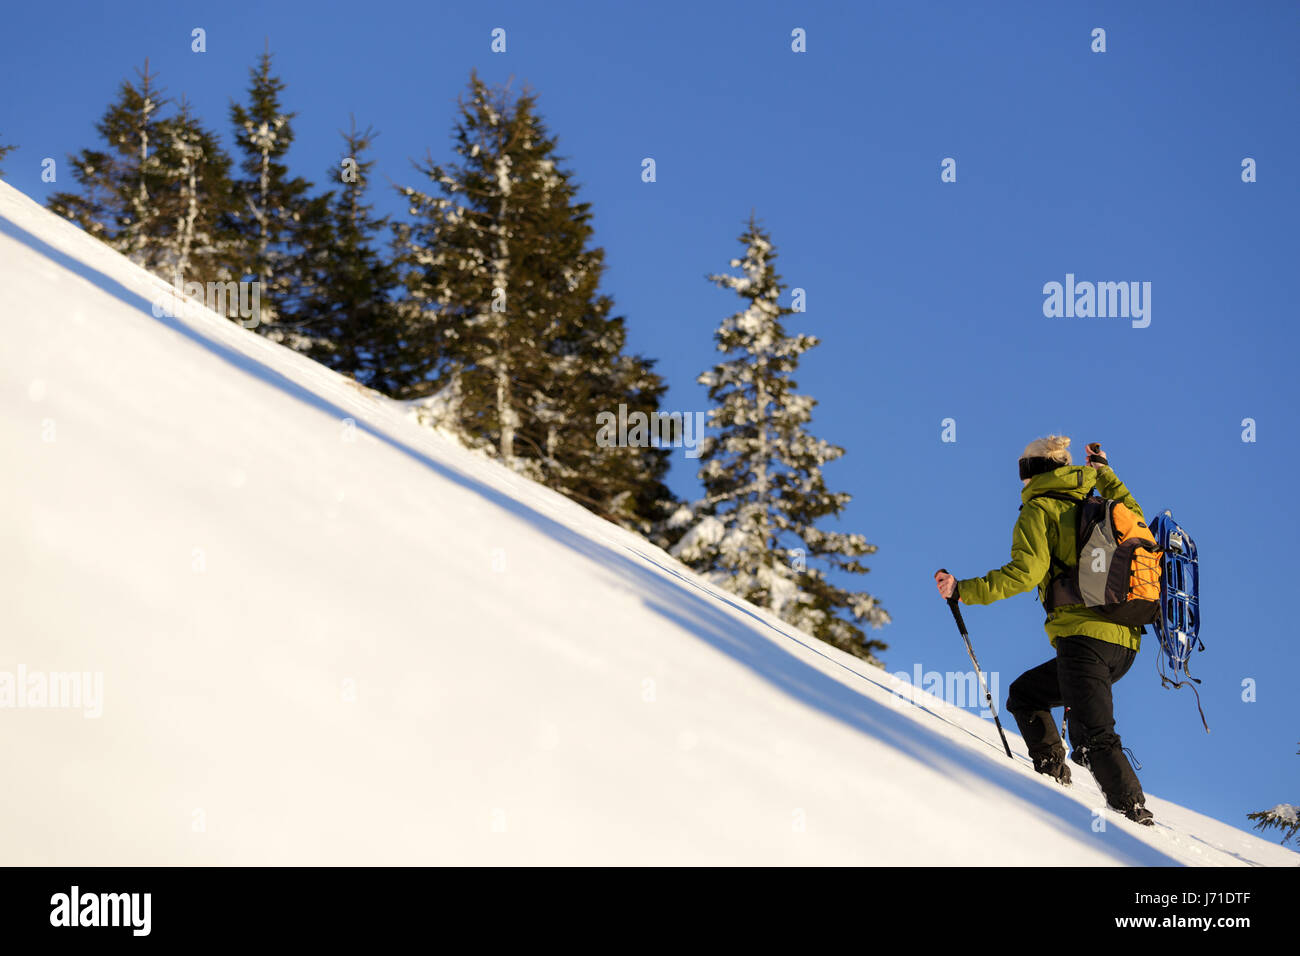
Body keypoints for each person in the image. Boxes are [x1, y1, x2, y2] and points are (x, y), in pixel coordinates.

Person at [933, 436, 1154, 825]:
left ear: (1032, 472)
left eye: (1022, 469)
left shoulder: (1039, 509)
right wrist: (1105, 473)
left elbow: (1025, 574)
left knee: (1095, 736)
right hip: (1125, 644)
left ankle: (1136, 817)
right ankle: (1054, 781)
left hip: (1084, 643)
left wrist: (964, 590)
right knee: (1027, 695)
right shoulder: (1102, 503)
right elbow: (1136, 515)